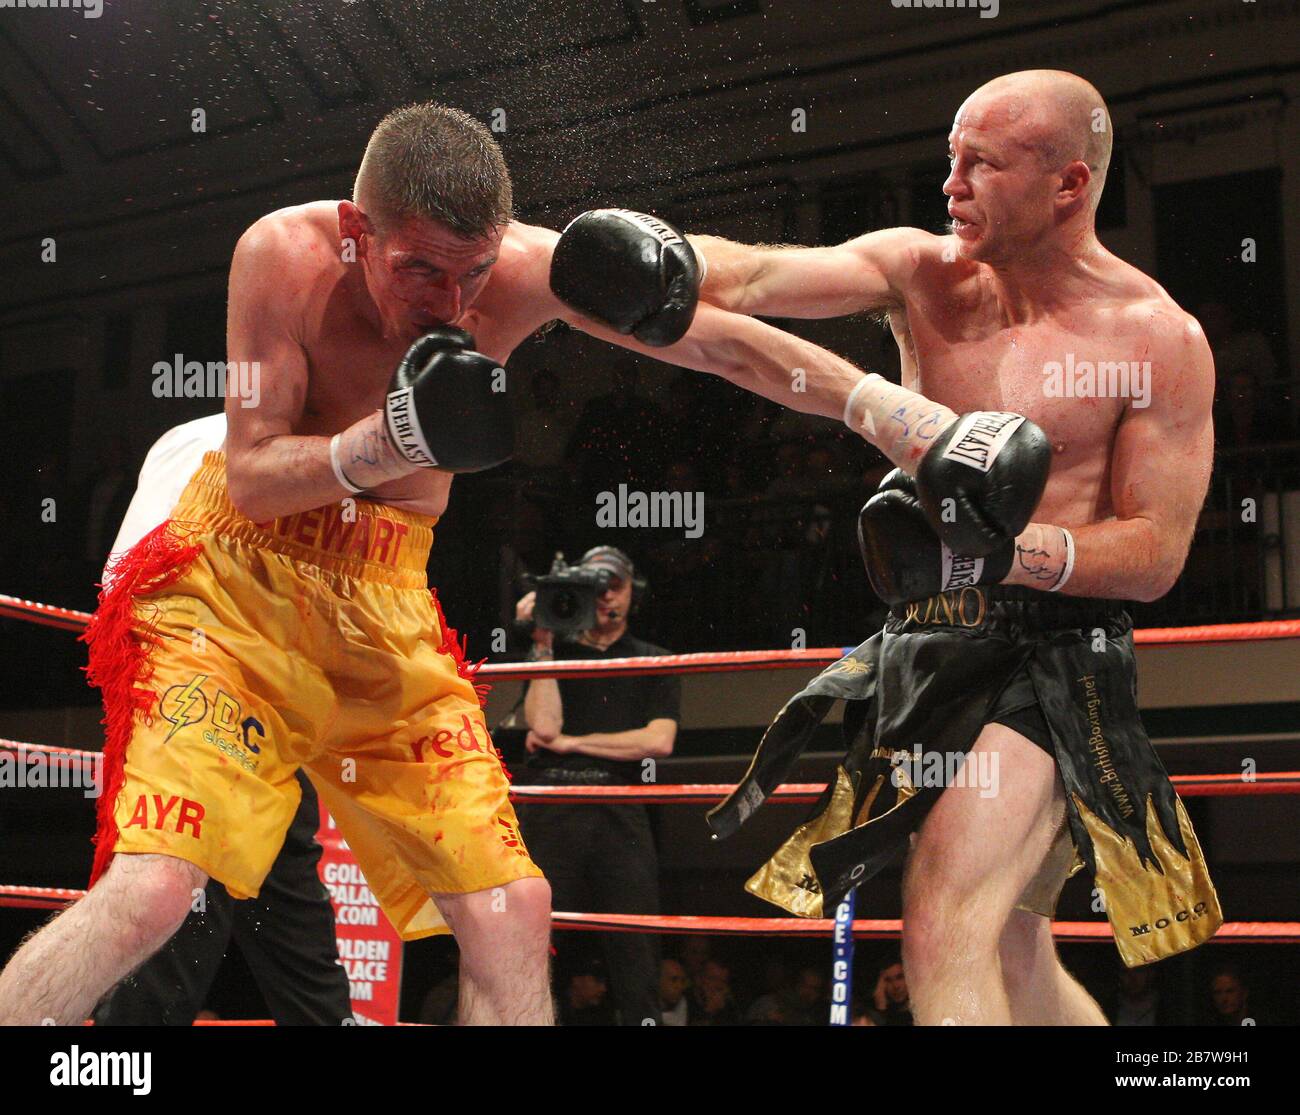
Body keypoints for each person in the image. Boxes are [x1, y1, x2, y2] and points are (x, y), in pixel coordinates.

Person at [0, 100, 1043, 1027]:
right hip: (233, 586)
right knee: (154, 890)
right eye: (420, 269)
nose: (453, 302)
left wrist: (913, 426)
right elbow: (261, 475)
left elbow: (727, 342)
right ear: (358, 231)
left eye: (472, 271)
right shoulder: (279, 254)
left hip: (383, 599)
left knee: (512, 907)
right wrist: (391, 441)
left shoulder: (521, 270)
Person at [702, 70, 1223, 1024]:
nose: (951, 185)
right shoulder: (919, 271)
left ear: (1069, 184)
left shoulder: (1155, 337)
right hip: (926, 641)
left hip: (1053, 659)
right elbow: (750, 278)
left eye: (981, 164)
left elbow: (1155, 553)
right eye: (951, 157)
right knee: (1016, 951)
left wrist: (1005, 550)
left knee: (944, 909)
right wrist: (632, 253)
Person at [93, 415, 351, 1026]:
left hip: (244, 712)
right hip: (204, 706)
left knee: (281, 921)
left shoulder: (181, 437)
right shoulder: (299, 450)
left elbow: (116, 582)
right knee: (183, 914)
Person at [515, 546, 679, 1026]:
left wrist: (572, 743)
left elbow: (658, 741)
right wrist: (542, 638)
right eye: (596, 586)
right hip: (552, 800)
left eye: (616, 586)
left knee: (635, 941)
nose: (606, 596)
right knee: (533, 936)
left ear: (634, 592)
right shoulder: (555, 652)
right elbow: (544, 729)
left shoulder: (654, 660)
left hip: (620, 804)